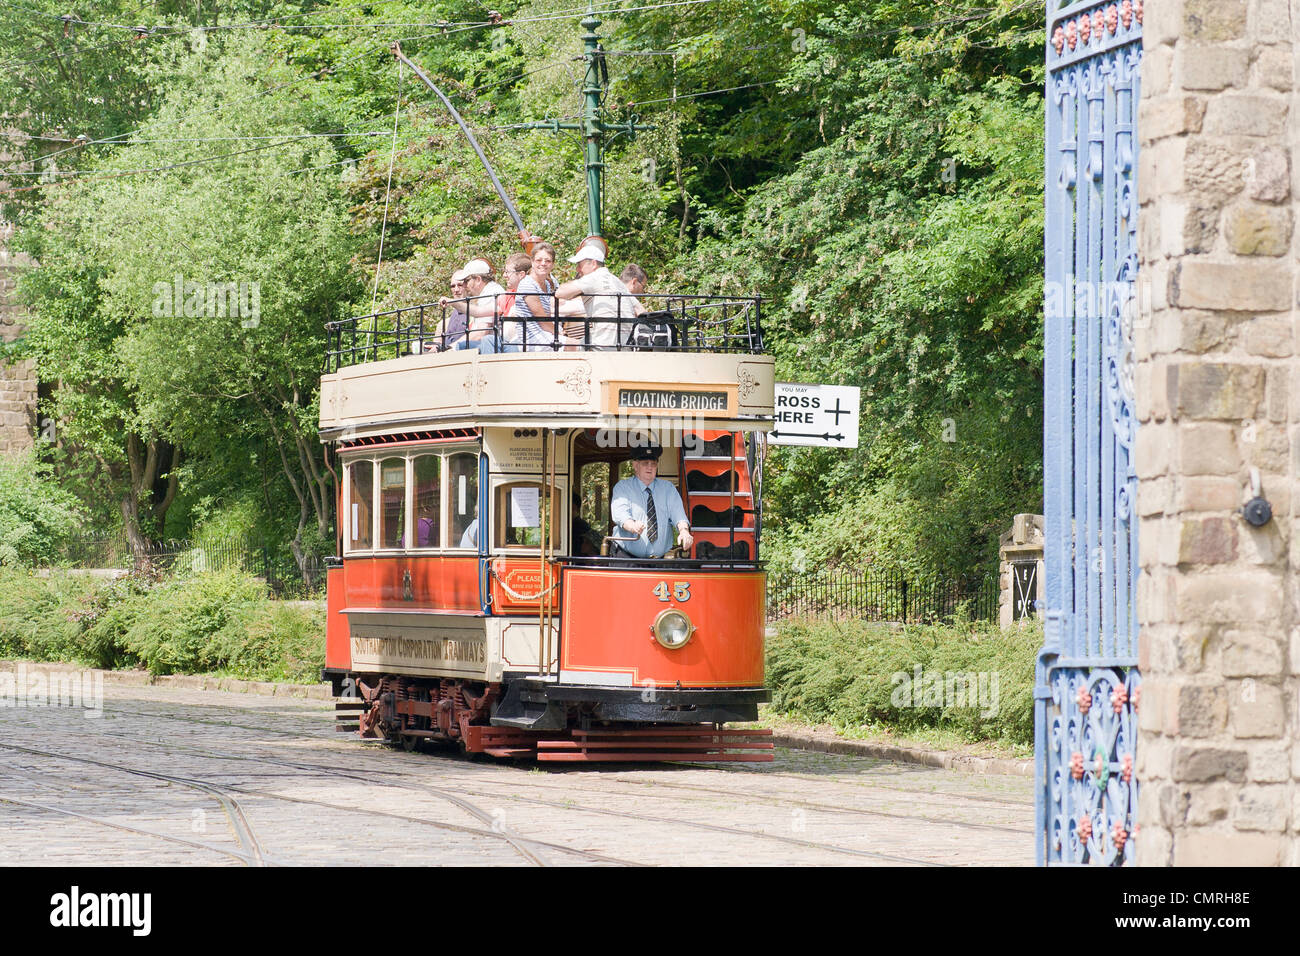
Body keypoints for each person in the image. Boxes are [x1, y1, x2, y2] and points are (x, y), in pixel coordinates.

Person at [554, 244, 645, 348]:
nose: (577, 269)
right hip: (625, 344)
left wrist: (576, 284)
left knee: (563, 346)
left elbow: (559, 293)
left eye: (580, 265)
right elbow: (640, 310)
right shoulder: (616, 281)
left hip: (602, 344)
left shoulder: (593, 277)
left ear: (593, 264)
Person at [609, 445, 693, 558]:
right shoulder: (623, 487)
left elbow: (678, 515)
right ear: (635, 465)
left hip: (659, 560)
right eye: (645, 463)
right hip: (626, 557)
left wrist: (684, 531)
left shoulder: (668, 488)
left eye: (653, 464)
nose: (650, 467)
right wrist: (632, 525)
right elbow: (620, 514)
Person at [454, 258, 517, 353]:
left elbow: (481, 333)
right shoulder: (486, 292)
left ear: (478, 279)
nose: (464, 286)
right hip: (496, 342)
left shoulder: (491, 293)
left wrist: (450, 347)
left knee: (460, 347)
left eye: (466, 281)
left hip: (497, 344)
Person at [428, 269, 469, 351]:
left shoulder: (476, 311)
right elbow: (437, 345)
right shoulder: (446, 322)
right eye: (453, 286)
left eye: (460, 285)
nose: (456, 290)